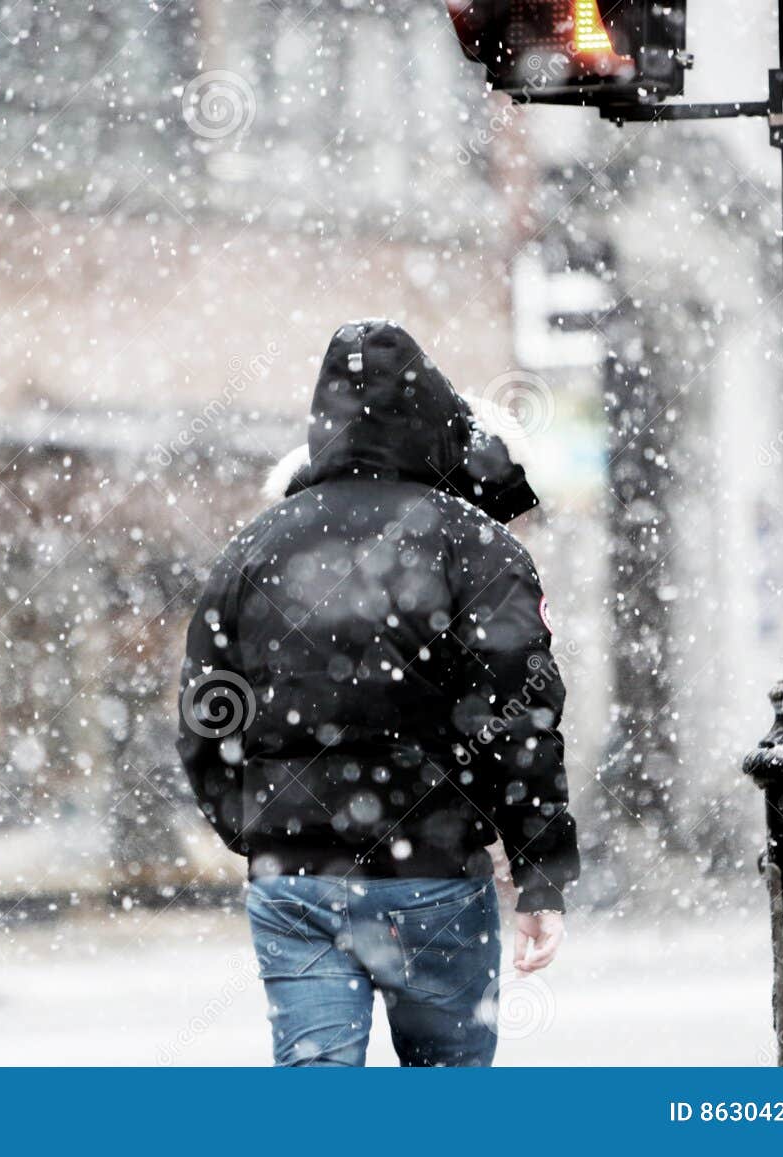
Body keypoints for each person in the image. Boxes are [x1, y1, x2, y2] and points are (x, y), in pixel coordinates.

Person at [177, 319, 580, 1067]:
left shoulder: (255, 548)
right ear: (434, 416)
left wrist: (259, 826)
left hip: (295, 878)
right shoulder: (474, 543)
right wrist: (539, 869)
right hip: (431, 870)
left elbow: (206, 713)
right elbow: (525, 713)